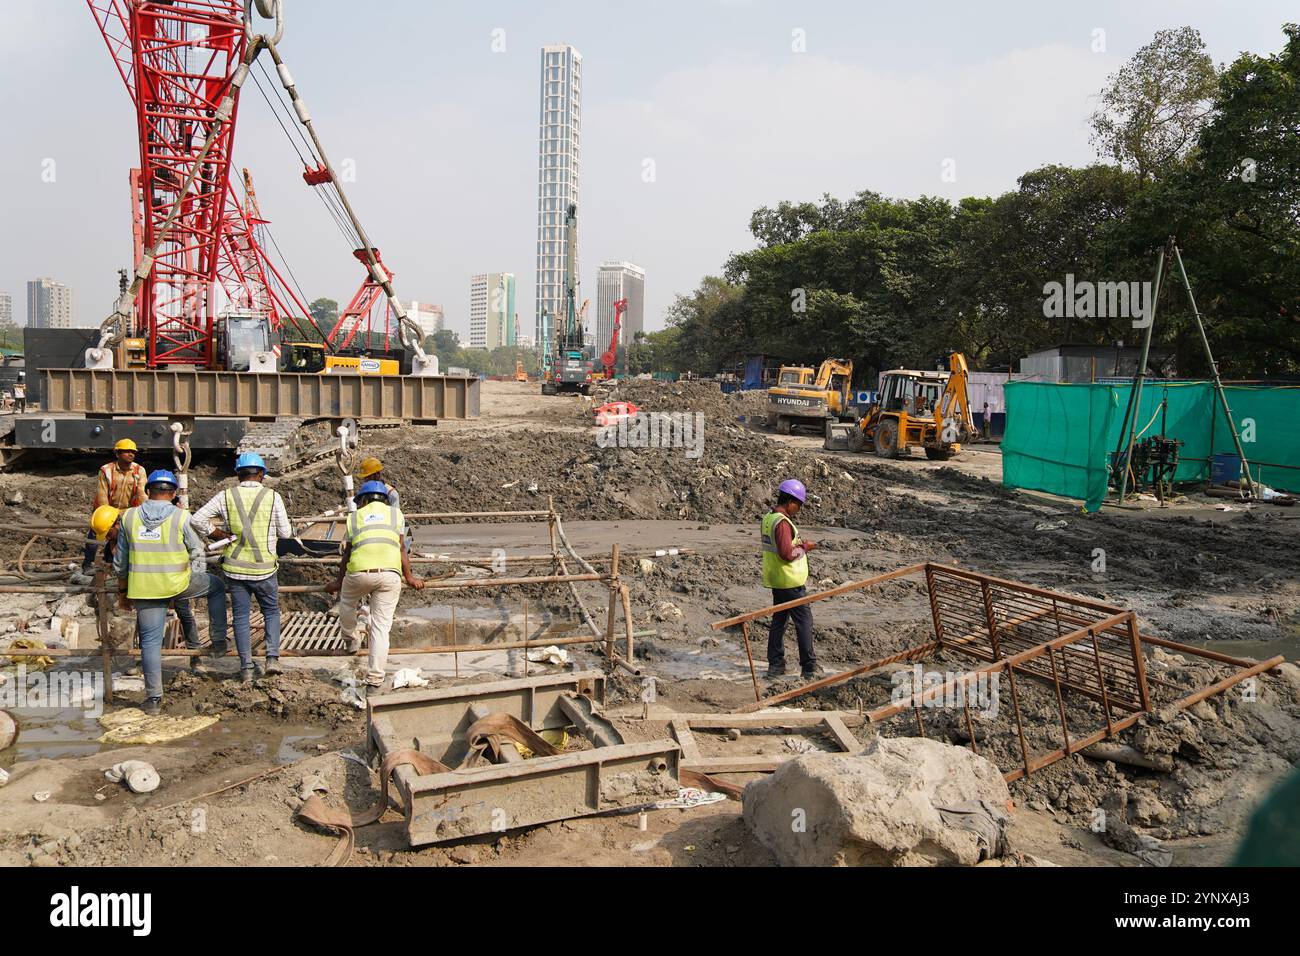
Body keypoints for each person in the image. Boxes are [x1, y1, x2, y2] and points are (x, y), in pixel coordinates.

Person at [114, 469, 228, 715]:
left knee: (150, 643)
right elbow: (197, 550)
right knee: (217, 587)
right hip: (178, 584)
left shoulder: (129, 517)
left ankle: (154, 699)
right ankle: (219, 640)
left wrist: (123, 592)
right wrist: (191, 571)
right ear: (174, 493)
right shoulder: (181, 517)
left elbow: (120, 561)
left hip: (143, 588)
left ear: (148, 491)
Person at [191, 452, 292, 683]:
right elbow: (286, 533)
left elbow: (196, 519)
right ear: (262, 474)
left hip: (235, 570)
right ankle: (272, 659)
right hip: (265, 568)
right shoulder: (273, 497)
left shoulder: (225, 496)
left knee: (240, 617)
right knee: (271, 612)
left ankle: (246, 667)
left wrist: (218, 534)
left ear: (238, 474)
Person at [325, 480, 425, 688]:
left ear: (363, 500)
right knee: (380, 629)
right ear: (384, 500)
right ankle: (375, 680)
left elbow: (347, 555)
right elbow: (401, 550)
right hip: (390, 575)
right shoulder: (395, 515)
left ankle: (351, 638)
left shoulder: (354, 518)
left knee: (346, 604)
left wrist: (338, 582)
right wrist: (410, 578)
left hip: (358, 573)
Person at [761, 478, 819, 680]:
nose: (799, 510)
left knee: (779, 621)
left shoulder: (769, 518)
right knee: (804, 621)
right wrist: (805, 547)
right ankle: (809, 667)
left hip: (776, 579)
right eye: (799, 505)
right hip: (790, 581)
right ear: (791, 502)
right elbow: (786, 553)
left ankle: (775, 664)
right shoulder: (783, 523)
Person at [81, 439, 148, 577]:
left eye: (133, 452)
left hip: (128, 511)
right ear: (117, 453)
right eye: (127, 451)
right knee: (96, 533)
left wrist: (145, 511)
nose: (131, 454)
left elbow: (142, 494)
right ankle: (87, 564)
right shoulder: (106, 470)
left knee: (120, 537)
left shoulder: (139, 471)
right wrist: (110, 517)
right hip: (106, 510)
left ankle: (111, 562)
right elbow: (102, 496)